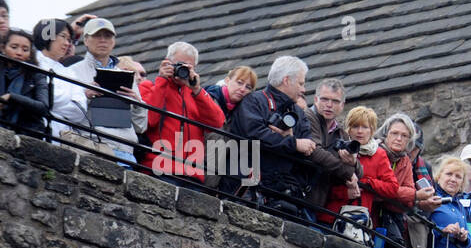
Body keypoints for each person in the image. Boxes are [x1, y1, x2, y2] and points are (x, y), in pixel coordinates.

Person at [226, 55, 317, 218]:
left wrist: (291, 141)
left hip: (286, 194)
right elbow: (255, 134)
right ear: (287, 80)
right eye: (301, 83)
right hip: (248, 189)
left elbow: (310, 146)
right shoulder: (254, 101)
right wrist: (293, 143)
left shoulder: (298, 113)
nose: (304, 90)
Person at [138, 41, 226, 179]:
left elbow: (217, 122)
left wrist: (197, 89)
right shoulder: (149, 87)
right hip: (160, 169)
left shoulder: (196, 95)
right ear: (167, 63)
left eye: (188, 67)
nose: (182, 70)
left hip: (193, 174)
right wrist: (162, 80)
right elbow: (149, 120)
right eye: (179, 65)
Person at [63, 17, 148, 157]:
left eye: (107, 36)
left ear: (113, 41)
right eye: (97, 35)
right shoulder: (72, 72)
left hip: (125, 150)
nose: (102, 40)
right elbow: (65, 113)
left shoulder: (127, 75)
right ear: (86, 40)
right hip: (92, 148)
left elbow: (140, 127)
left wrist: (137, 103)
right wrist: (84, 96)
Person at [322, 106, 401, 234]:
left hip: (357, 220)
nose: (360, 131)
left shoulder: (378, 154)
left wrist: (366, 183)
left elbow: (392, 188)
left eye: (365, 127)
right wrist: (344, 193)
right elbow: (323, 184)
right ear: (349, 129)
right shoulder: (339, 147)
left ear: (372, 130)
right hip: (330, 216)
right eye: (355, 126)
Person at [418, 156, 471, 248]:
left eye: (458, 177)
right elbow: (418, 225)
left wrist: (464, 238)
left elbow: (470, 240)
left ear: (462, 183)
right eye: (449, 174)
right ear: (439, 176)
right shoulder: (431, 196)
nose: (453, 179)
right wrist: (443, 230)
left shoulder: (460, 206)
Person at [302, 78, 356, 212]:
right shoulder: (307, 117)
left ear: (342, 105)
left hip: (318, 203)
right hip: (298, 193)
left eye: (335, 101)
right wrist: (348, 171)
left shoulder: (340, 133)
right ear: (315, 100)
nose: (329, 105)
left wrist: (353, 162)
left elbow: (359, 172)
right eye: (325, 99)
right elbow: (316, 152)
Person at [32, 19, 89, 140]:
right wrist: (66, 97)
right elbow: (44, 99)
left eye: (69, 39)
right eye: (63, 36)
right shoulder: (32, 62)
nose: (67, 43)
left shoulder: (69, 72)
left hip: (63, 137)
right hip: (38, 131)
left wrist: (52, 104)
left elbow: (80, 110)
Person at [373, 113, 418, 248]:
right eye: (394, 133)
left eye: (404, 135)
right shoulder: (375, 152)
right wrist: (413, 194)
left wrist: (402, 194)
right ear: (386, 134)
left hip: (390, 217)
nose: (399, 139)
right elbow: (374, 187)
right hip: (370, 212)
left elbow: (409, 200)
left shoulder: (405, 161)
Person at [1, 29, 49, 136]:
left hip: (26, 132)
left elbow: (43, 107)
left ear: (30, 54)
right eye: (14, 47)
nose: (19, 53)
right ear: (3, 48)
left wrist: (12, 97)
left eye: (25, 49)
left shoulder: (36, 75)